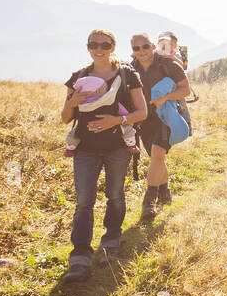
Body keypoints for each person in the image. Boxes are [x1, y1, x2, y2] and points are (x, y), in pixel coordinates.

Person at [60, 29, 147, 283]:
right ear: (88, 47)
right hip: (85, 149)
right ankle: (80, 257)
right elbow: (65, 118)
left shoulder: (127, 74)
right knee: (84, 202)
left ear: (113, 46)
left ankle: (111, 243)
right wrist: (72, 101)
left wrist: (116, 120)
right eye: (94, 44)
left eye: (105, 44)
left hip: (117, 147)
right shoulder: (79, 77)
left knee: (115, 196)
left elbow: (141, 112)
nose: (99, 48)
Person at [130, 31, 191, 219]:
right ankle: (165, 192)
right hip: (143, 119)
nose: (142, 51)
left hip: (166, 115)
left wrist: (164, 98)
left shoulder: (169, 65)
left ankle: (149, 200)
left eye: (145, 46)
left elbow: (185, 90)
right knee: (157, 158)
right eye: (136, 48)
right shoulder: (130, 68)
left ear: (153, 46)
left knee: (157, 153)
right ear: (133, 51)